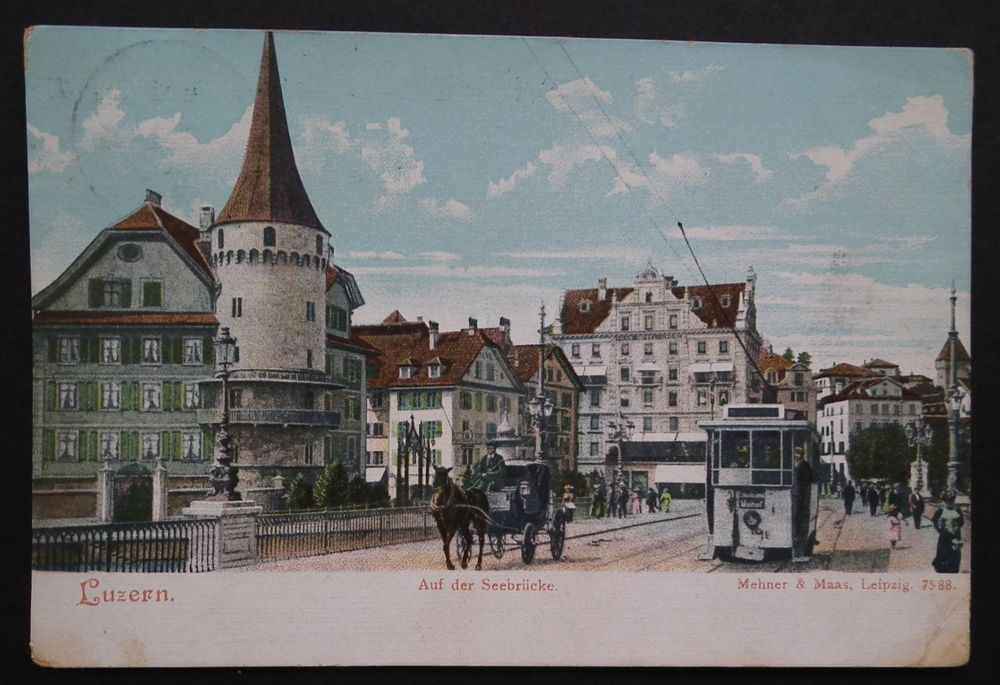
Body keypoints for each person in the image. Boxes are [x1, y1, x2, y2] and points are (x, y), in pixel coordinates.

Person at [931, 490, 964, 573]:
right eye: (948, 502)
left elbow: (962, 522)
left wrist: (956, 527)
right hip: (944, 536)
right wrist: (940, 530)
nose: (950, 503)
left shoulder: (957, 510)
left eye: (951, 501)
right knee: (943, 553)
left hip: (955, 536)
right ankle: (943, 570)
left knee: (955, 554)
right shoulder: (940, 510)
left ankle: (954, 570)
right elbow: (934, 521)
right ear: (945, 502)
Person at [791, 447, 813, 560]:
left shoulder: (804, 465)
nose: (796, 455)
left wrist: (802, 491)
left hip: (800, 495)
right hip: (795, 494)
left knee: (798, 519)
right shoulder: (795, 465)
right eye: (795, 453)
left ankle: (798, 548)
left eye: (798, 454)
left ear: (802, 455)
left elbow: (807, 481)